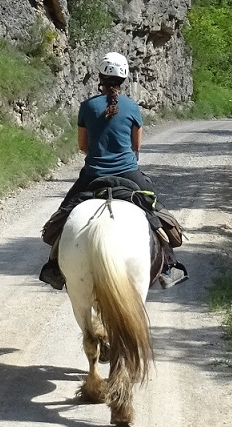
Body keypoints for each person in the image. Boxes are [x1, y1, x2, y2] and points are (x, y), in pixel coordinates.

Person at [38, 52, 184, 288]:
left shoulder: (87, 107)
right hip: (129, 173)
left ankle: (54, 266)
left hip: (92, 175)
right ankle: (169, 266)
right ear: (124, 79)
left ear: (100, 77)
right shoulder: (133, 107)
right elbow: (136, 146)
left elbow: (83, 146)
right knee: (156, 211)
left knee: (63, 217)